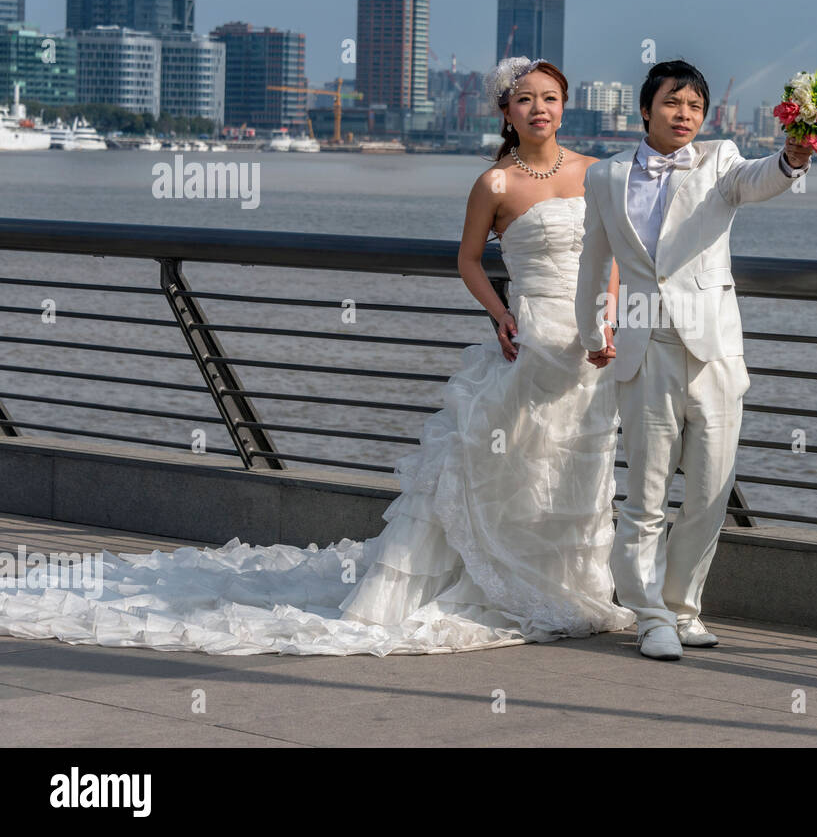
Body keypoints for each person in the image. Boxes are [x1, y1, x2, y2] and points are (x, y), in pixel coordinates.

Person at [0, 57, 635, 655]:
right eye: (525, 100)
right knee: (509, 467)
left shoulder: (595, 172)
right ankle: (504, 586)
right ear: (505, 111)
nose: (539, 109)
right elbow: (468, 260)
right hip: (523, 340)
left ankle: (566, 586)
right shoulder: (495, 181)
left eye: (549, 98)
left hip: (586, 346)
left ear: (565, 106)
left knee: (574, 465)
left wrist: (603, 318)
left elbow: (607, 257)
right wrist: (500, 315)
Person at [575, 59, 813, 661]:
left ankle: (683, 609)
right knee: (645, 497)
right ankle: (648, 615)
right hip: (643, 350)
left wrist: (796, 156)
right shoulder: (604, 177)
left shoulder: (721, 162)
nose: (684, 116)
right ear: (645, 109)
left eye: (695, 107)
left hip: (713, 354)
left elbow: (764, 178)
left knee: (709, 493)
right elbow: (592, 261)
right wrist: (590, 331)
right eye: (673, 104)